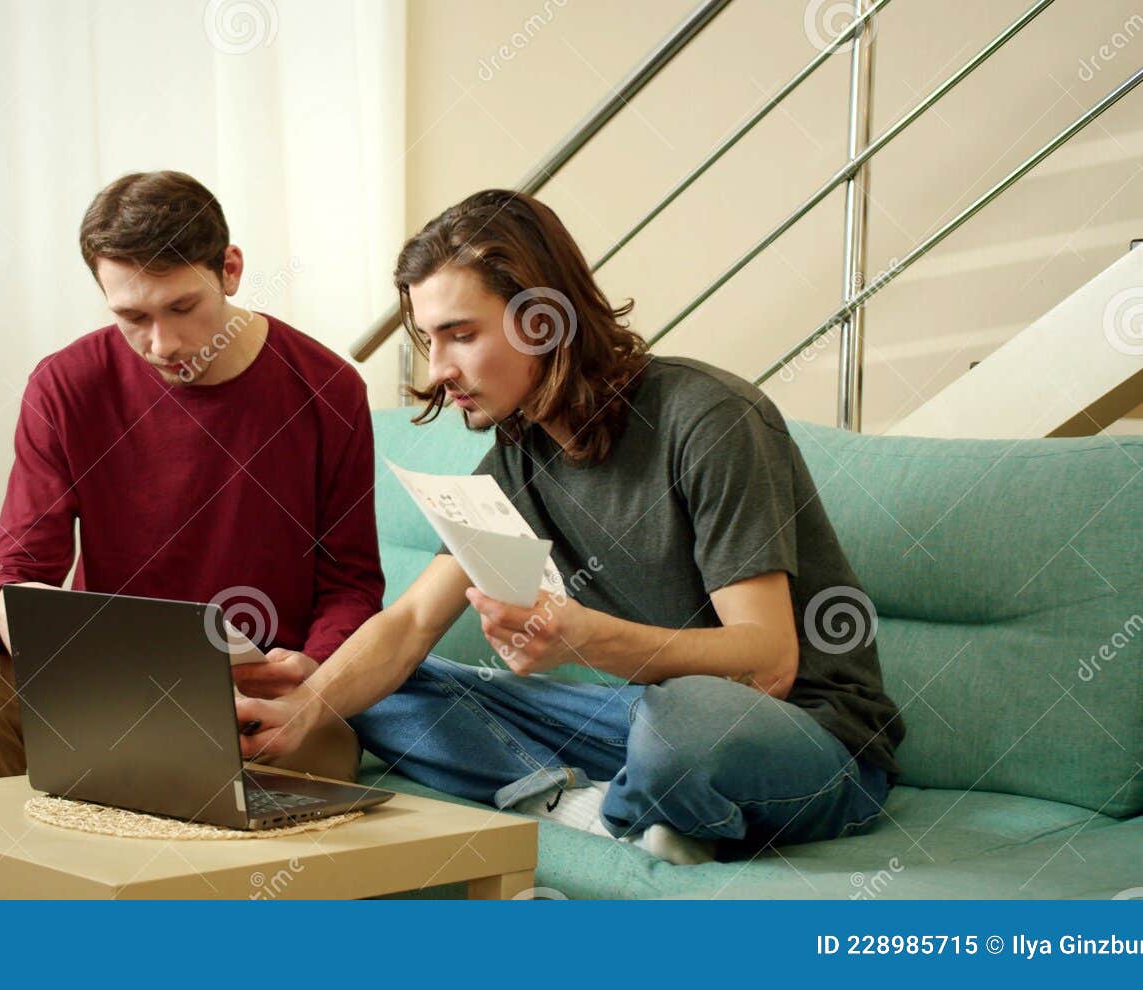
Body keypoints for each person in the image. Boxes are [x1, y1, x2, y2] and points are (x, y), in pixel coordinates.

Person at [234, 189, 904, 863]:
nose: (438, 370)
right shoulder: (517, 455)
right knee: (372, 685)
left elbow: (769, 664)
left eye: (462, 335)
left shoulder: (708, 420)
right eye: (428, 339)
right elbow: (409, 626)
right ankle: (599, 806)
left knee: (680, 736)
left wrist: (586, 639)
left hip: (797, 738)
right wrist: (308, 704)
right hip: (642, 722)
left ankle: (625, 802)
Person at [0, 171, 383, 786]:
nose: (163, 343)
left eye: (183, 307)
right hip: (104, 684)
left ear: (231, 270)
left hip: (251, 694)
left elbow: (351, 585)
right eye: (132, 316)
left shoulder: (328, 389)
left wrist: (313, 669)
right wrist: (19, 615)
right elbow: (10, 572)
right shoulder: (67, 386)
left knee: (317, 747)